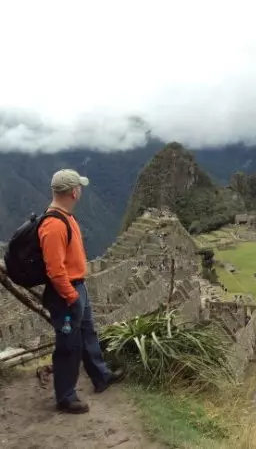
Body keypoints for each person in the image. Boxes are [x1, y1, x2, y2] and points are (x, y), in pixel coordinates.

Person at [38, 169, 124, 414]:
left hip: (77, 287)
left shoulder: (65, 217)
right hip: (66, 294)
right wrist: (72, 296)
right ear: (74, 192)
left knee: (88, 334)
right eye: (80, 188)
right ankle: (66, 396)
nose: (81, 192)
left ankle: (101, 376)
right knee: (68, 344)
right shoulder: (53, 225)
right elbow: (55, 270)